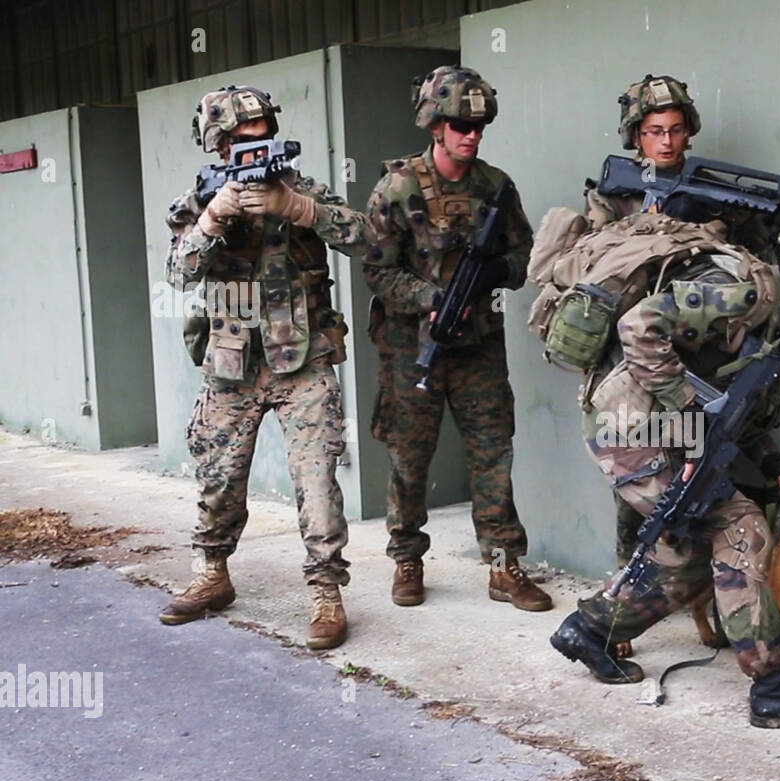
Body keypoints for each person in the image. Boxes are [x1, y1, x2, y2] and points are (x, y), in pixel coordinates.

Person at [549, 215, 780, 729]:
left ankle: (590, 629)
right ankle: (774, 686)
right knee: (740, 526)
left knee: (685, 559)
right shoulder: (746, 293)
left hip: (667, 429)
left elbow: (737, 411)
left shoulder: (778, 335)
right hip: (630, 427)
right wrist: (687, 408)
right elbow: (638, 327)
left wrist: (771, 461)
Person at [160, 85, 370, 650]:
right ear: (218, 145)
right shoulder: (200, 198)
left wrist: (301, 210)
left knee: (318, 480)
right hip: (231, 361)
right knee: (218, 478)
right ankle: (213, 573)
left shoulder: (301, 189)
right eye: (242, 144)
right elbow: (178, 274)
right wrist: (213, 218)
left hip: (302, 359)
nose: (256, 154)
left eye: (263, 140)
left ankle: (326, 590)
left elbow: (367, 237)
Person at [363, 65, 551, 612]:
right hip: (410, 347)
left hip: (479, 346)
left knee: (492, 453)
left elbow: (525, 256)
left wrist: (495, 272)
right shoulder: (397, 188)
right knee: (409, 456)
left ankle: (502, 565)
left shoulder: (495, 187)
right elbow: (376, 271)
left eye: (478, 128)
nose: (470, 136)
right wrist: (431, 298)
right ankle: (406, 558)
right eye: (459, 126)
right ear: (435, 126)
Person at [584, 73, 773, 568]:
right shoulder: (614, 195)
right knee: (636, 477)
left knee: (703, 470)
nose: (665, 141)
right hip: (629, 358)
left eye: (674, 129)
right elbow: (593, 265)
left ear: (689, 131)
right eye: (653, 131)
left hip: (698, 357)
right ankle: (624, 595)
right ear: (635, 137)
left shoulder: (716, 194)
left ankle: (709, 593)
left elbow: (750, 267)